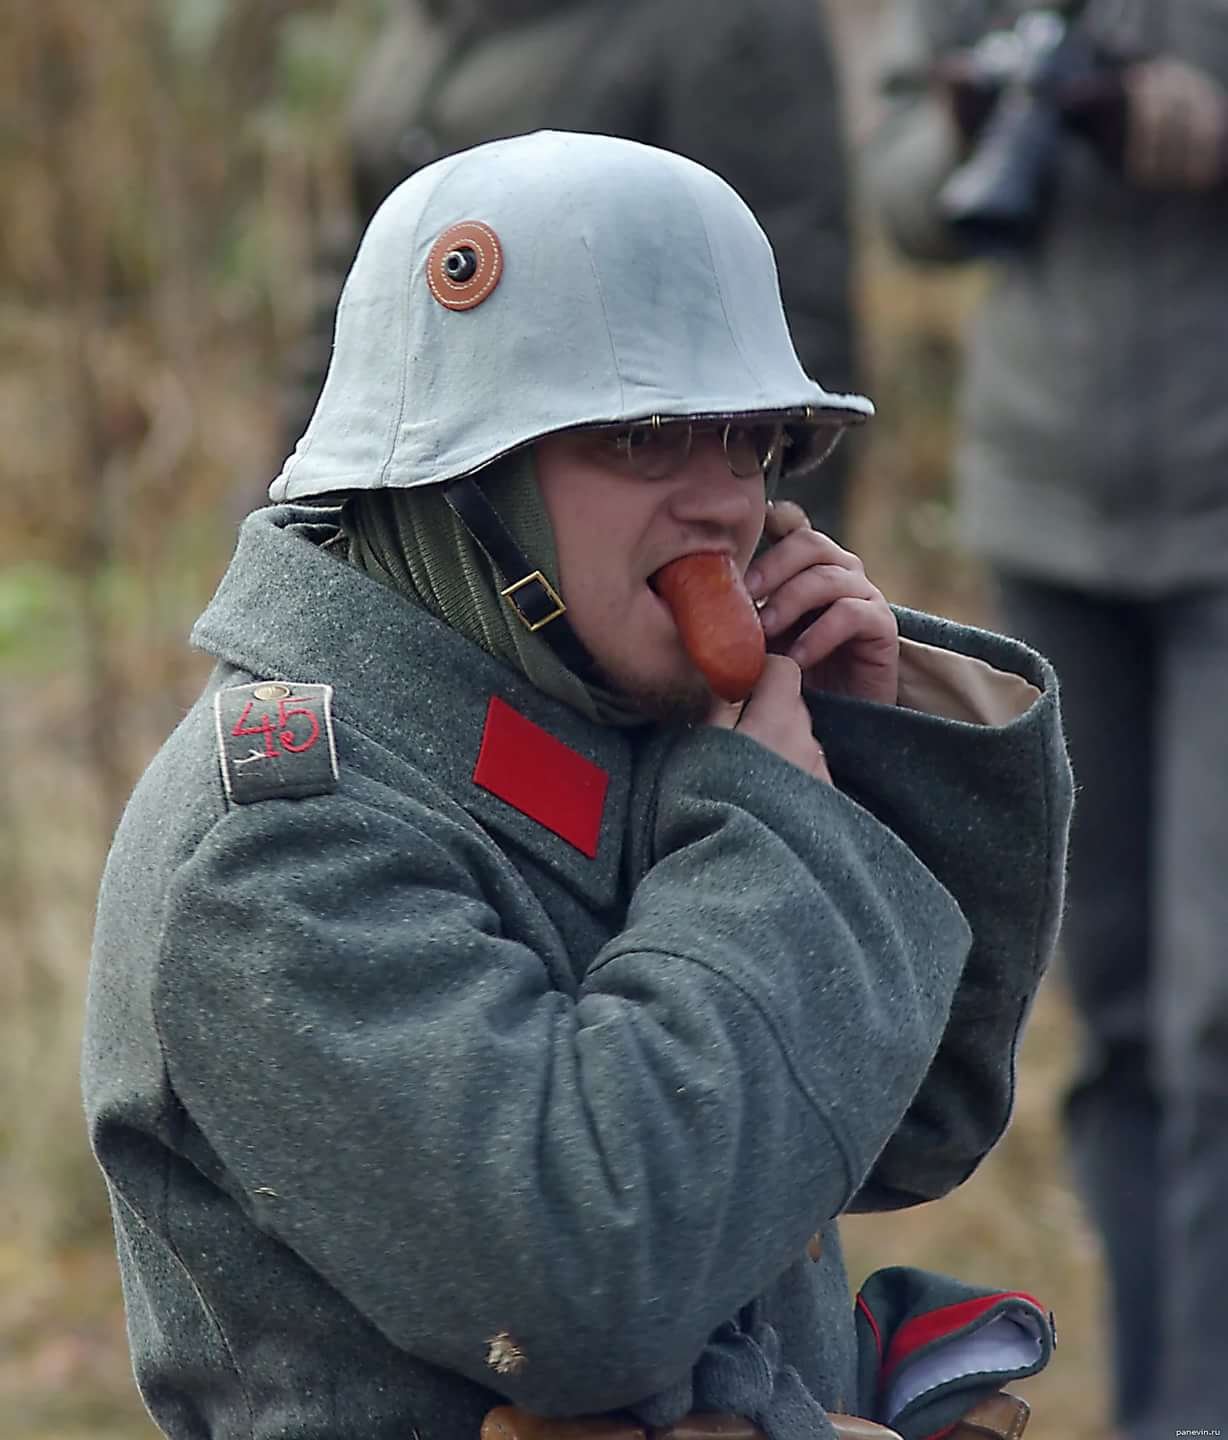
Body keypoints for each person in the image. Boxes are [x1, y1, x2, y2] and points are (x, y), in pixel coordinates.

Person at [83, 131, 1071, 1440]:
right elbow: (587, 1280)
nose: (723, 503)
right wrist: (781, 842)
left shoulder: (589, 696)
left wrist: (874, 750)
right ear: (462, 473)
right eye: (650, 435)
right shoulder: (276, 838)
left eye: (752, 439)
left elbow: (912, 1124)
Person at [864, 3, 1228, 1437]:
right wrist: (964, 123)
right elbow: (896, 190)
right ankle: (1163, 1400)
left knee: (1219, 1022)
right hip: (1047, 517)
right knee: (1119, 1017)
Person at [280, 0, 858, 537]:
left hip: (614, 531)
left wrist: (764, 561)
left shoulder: (728, 20)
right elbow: (360, 298)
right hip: (421, 535)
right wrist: (295, 505)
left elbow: (786, 312)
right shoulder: (441, 17)